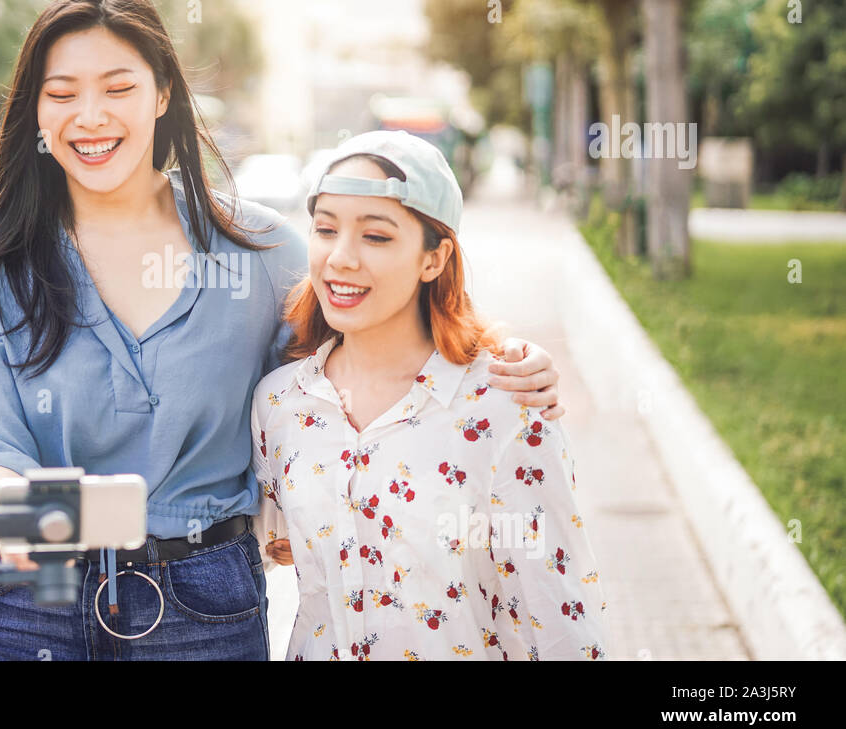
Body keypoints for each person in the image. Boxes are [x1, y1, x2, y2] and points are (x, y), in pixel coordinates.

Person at [0, 0, 563, 661]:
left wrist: (497, 360)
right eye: (62, 94)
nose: (90, 116)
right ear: (34, 111)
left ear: (164, 94)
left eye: (118, 88)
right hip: (38, 606)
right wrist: (58, 514)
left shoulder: (261, 254)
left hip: (205, 605)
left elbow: (371, 360)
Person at [251, 131, 610, 661]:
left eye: (376, 237)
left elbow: (559, 616)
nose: (340, 258)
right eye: (325, 230)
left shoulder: (504, 405)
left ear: (434, 258)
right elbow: (271, 549)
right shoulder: (279, 404)